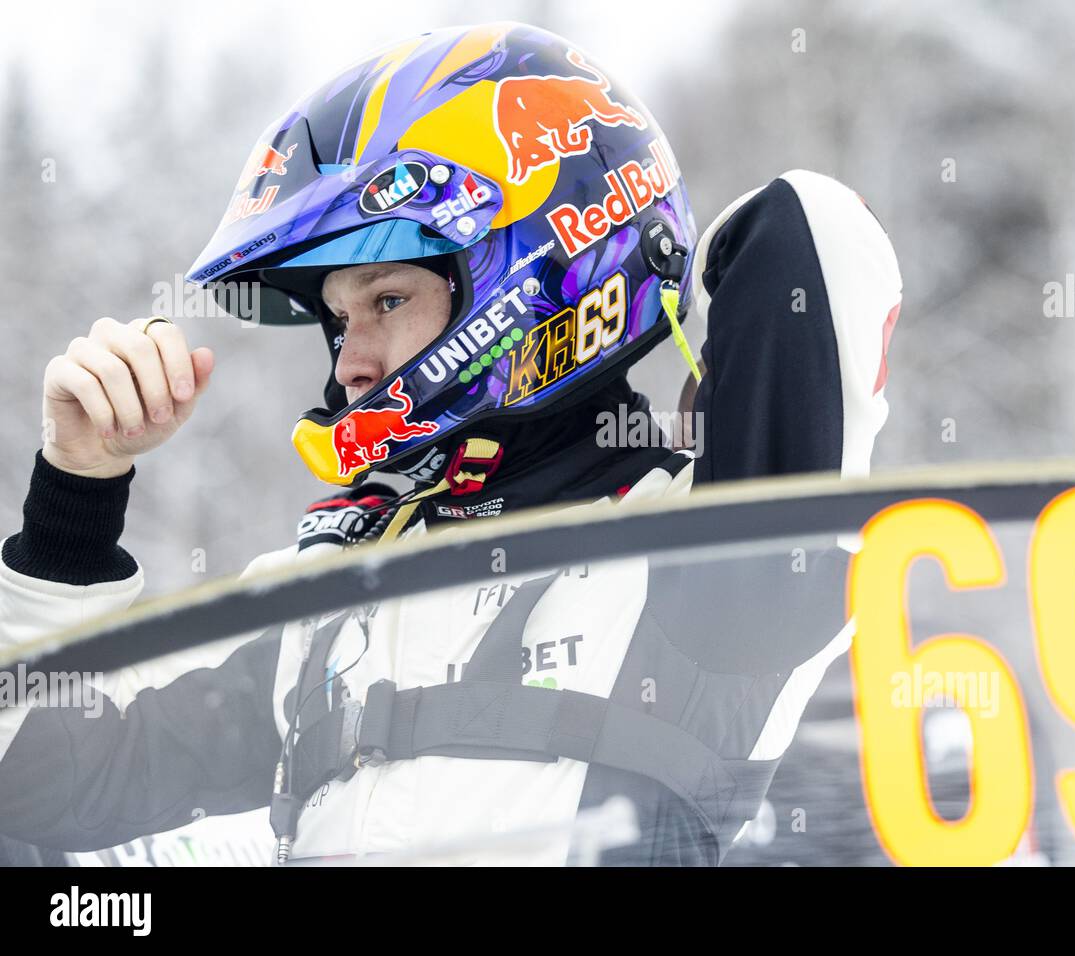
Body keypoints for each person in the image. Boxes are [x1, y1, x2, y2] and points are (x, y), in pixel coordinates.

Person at [0, 22, 902, 865]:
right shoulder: (324, 594)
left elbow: (808, 235)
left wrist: (643, 235)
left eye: (386, 301)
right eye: (337, 319)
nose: (350, 360)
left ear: (537, 272)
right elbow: (35, 781)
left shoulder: (704, 552)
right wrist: (75, 502)